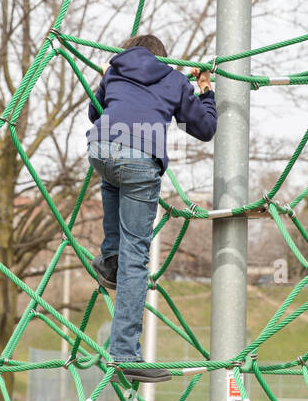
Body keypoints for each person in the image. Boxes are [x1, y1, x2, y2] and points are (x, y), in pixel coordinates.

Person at [87, 34, 217, 382]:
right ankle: (125, 354)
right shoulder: (173, 79)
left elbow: (93, 112)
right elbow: (202, 129)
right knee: (137, 259)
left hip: (101, 147)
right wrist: (204, 90)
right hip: (140, 158)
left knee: (112, 175)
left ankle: (108, 259)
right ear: (163, 57)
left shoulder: (115, 69)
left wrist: (105, 81)